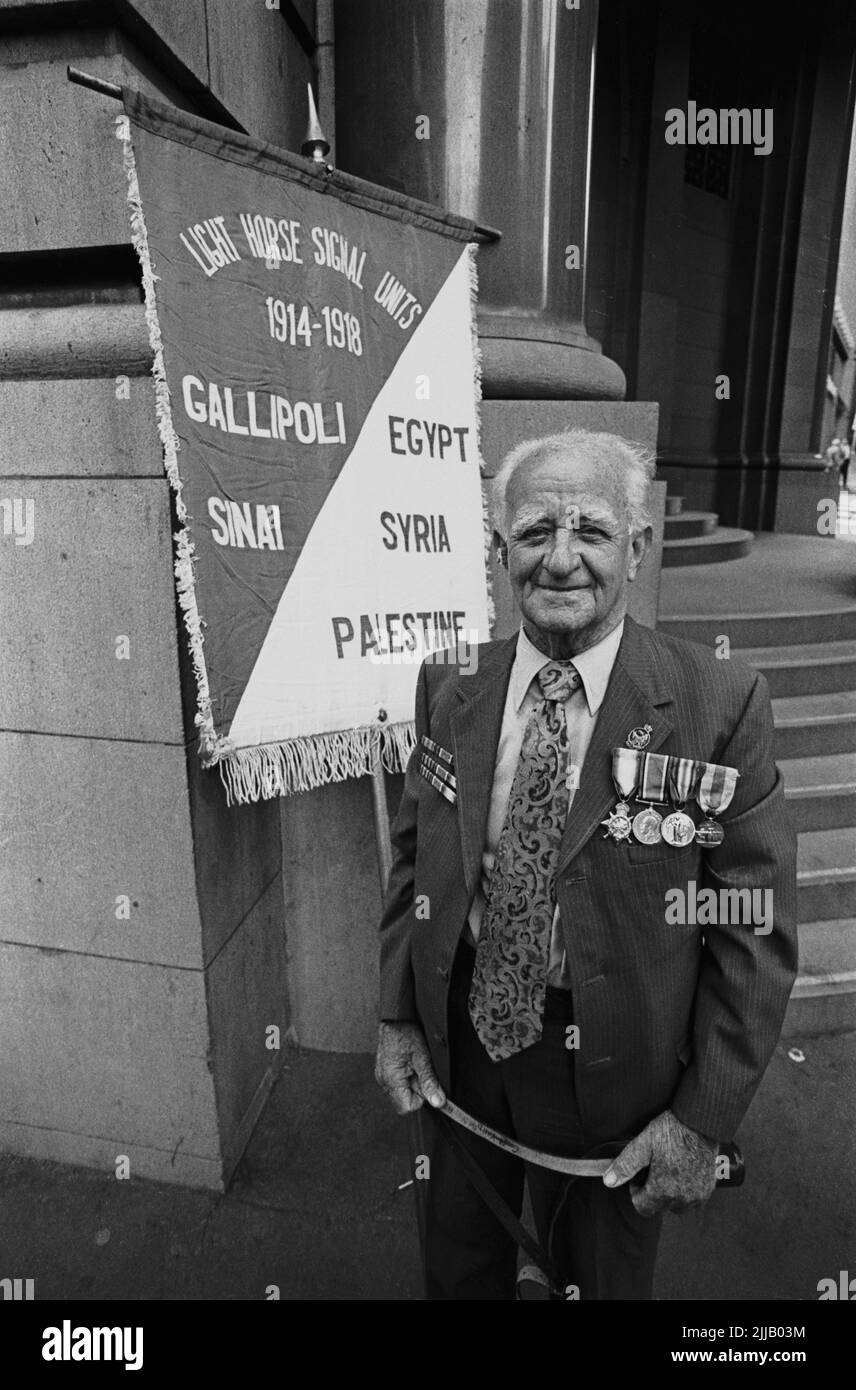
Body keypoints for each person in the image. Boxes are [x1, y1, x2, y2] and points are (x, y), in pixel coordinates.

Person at [375, 429, 798, 1300]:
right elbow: (415, 861)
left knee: (598, 1286)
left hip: (617, 1082)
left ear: (637, 548)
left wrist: (702, 1122)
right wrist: (397, 1016)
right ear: (500, 553)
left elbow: (749, 929)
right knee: (459, 1266)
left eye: (592, 531)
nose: (561, 560)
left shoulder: (720, 703)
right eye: (534, 533)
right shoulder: (445, 684)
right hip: (465, 1048)